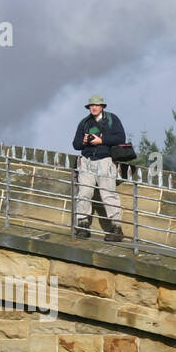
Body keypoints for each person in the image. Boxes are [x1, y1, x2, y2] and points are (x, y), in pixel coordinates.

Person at [72, 94, 126, 242]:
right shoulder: (84, 123)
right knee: (84, 193)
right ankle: (83, 226)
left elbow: (121, 138)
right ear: (89, 107)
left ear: (102, 106)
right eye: (91, 105)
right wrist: (83, 141)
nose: (94, 107)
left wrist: (101, 140)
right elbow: (75, 144)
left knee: (108, 194)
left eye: (97, 105)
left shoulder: (112, 119)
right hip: (87, 161)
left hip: (105, 160)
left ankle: (116, 228)